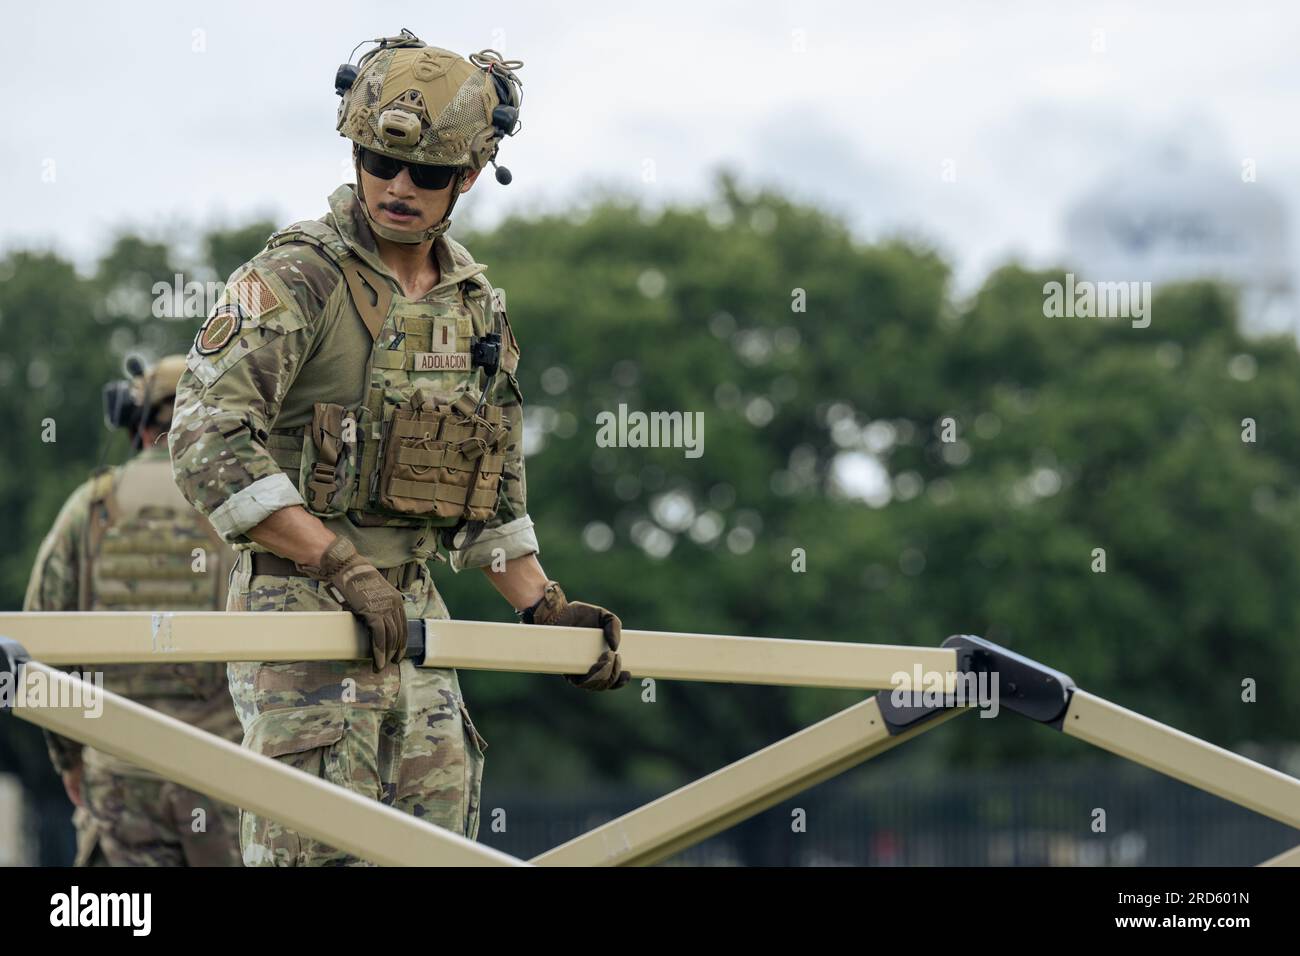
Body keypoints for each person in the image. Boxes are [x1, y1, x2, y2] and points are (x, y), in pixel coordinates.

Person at [168, 30, 629, 867]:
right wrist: (340, 565)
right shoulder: (296, 278)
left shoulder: (474, 305)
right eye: (378, 162)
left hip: (415, 614)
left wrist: (543, 608)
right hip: (299, 613)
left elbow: (491, 486)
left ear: (471, 178)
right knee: (314, 850)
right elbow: (206, 439)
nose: (397, 186)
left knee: (435, 851)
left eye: (426, 174)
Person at [23, 354, 243, 866]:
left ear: (135, 422)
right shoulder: (243, 508)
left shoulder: (92, 507)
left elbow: (39, 644)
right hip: (228, 784)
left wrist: (70, 762)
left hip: (119, 786)